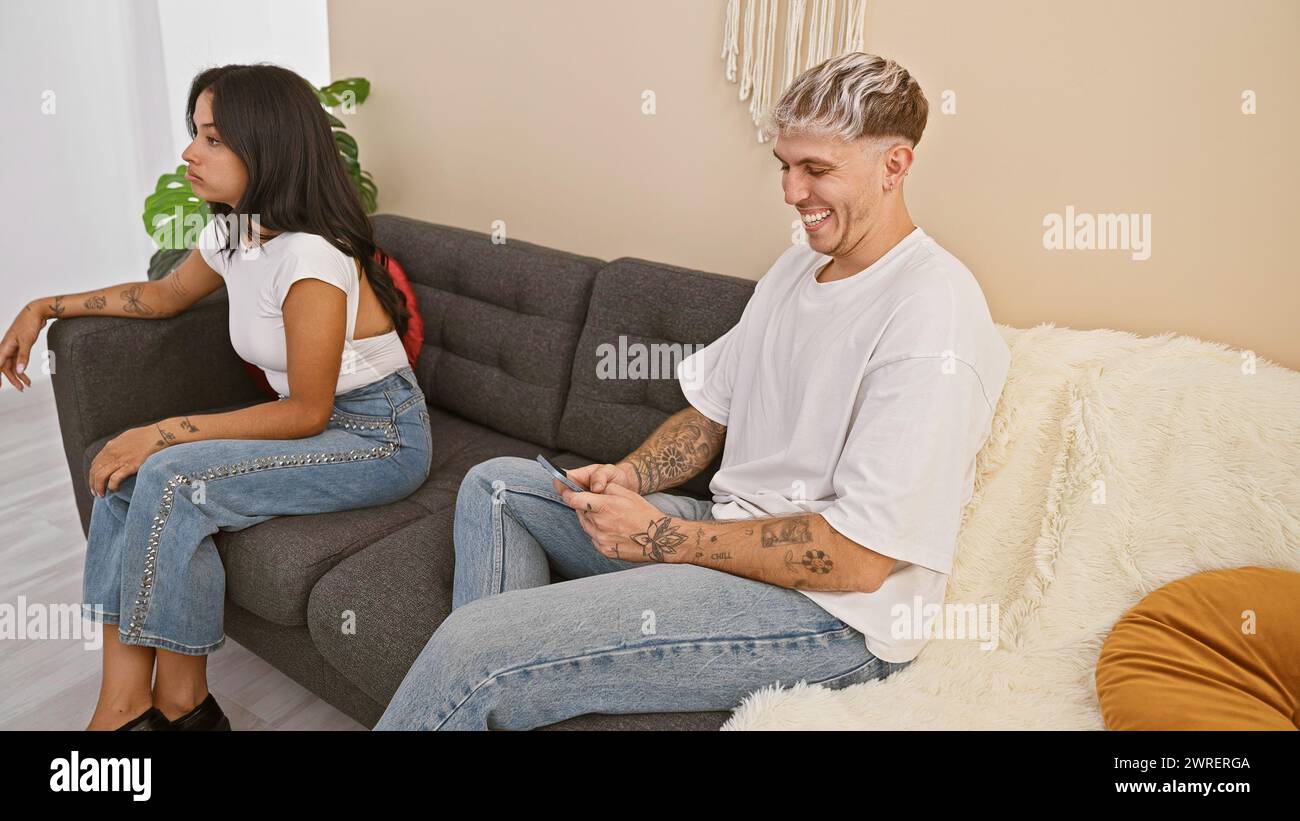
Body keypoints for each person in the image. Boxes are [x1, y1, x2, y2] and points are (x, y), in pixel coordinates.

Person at [374, 52, 1011, 731]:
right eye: (784, 166)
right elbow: (710, 412)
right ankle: (504, 681)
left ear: (895, 165)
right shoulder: (797, 267)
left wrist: (661, 535)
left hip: (830, 616)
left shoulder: (932, 311)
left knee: (475, 646)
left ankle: (488, 667)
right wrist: (629, 475)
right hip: (730, 535)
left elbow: (858, 558)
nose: (791, 193)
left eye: (816, 169)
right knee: (497, 487)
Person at [0, 64, 433, 731]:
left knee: (168, 472)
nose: (188, 153)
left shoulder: (312, 256)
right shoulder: (239, 232)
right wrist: (44, 305)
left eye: (211, 139)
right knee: (129, 476)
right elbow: (163, 295)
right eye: (193, 133)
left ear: (266, 147)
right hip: (325, 425)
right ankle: (129, 706)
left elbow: (308, 412)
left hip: (378, 436)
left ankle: (175, 707)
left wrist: (167, 430)